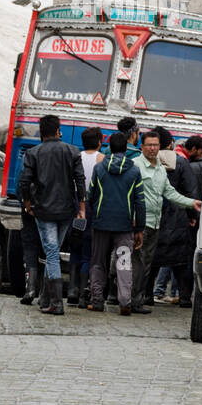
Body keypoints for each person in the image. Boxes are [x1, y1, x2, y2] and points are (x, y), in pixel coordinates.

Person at [19, 114, 86, 316]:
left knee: (51, 252)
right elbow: (80, 181)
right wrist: (81, 207)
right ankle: (46, 298)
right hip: (66, 210)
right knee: (53, 251)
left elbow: (24, 182)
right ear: (58, 131)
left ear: (41, 132)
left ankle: (56, 303)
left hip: (43, 210)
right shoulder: (73, 151)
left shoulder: (33, 153)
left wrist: (28, 204)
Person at [130, 129, 201, 313]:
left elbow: (170, 193)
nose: (153, 149)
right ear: (142, 147)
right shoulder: (135, 165)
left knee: (147, 263)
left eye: (156, 145)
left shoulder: (161, 168)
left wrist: (191, 203)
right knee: (139, 262)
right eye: (149, 145)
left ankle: (136, 299)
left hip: (156, 223)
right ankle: (132, 299)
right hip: (140, 223)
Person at [86, 131, 146, 314]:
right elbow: (140, 202)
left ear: (110, 147)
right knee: (123, 262)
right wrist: (140, 229)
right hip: (124, 226)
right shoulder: (135, 171)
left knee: (98, 263)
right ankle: (125, 302)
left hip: (101, 224)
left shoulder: (99, 169)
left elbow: (91, 197)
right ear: (126, 148)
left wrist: (93, 219)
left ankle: (97, 301)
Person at [152, 128, 198, 308]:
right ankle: (185, 298)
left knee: (151, 261)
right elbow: (190, 191)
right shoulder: (181, 163)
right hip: (177, 218)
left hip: (154, 216)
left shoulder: (147, 162)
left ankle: (146, 295)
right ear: (170, 143)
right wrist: (192, 215)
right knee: (181, 262)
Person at [68, 127, 104, 307]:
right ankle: (82, 293)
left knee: (75, 245)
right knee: (88, 251)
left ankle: (72, 289)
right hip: (92, 206)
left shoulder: (76, 157)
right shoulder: (102, 160)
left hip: (75, 205)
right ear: (100, 141)